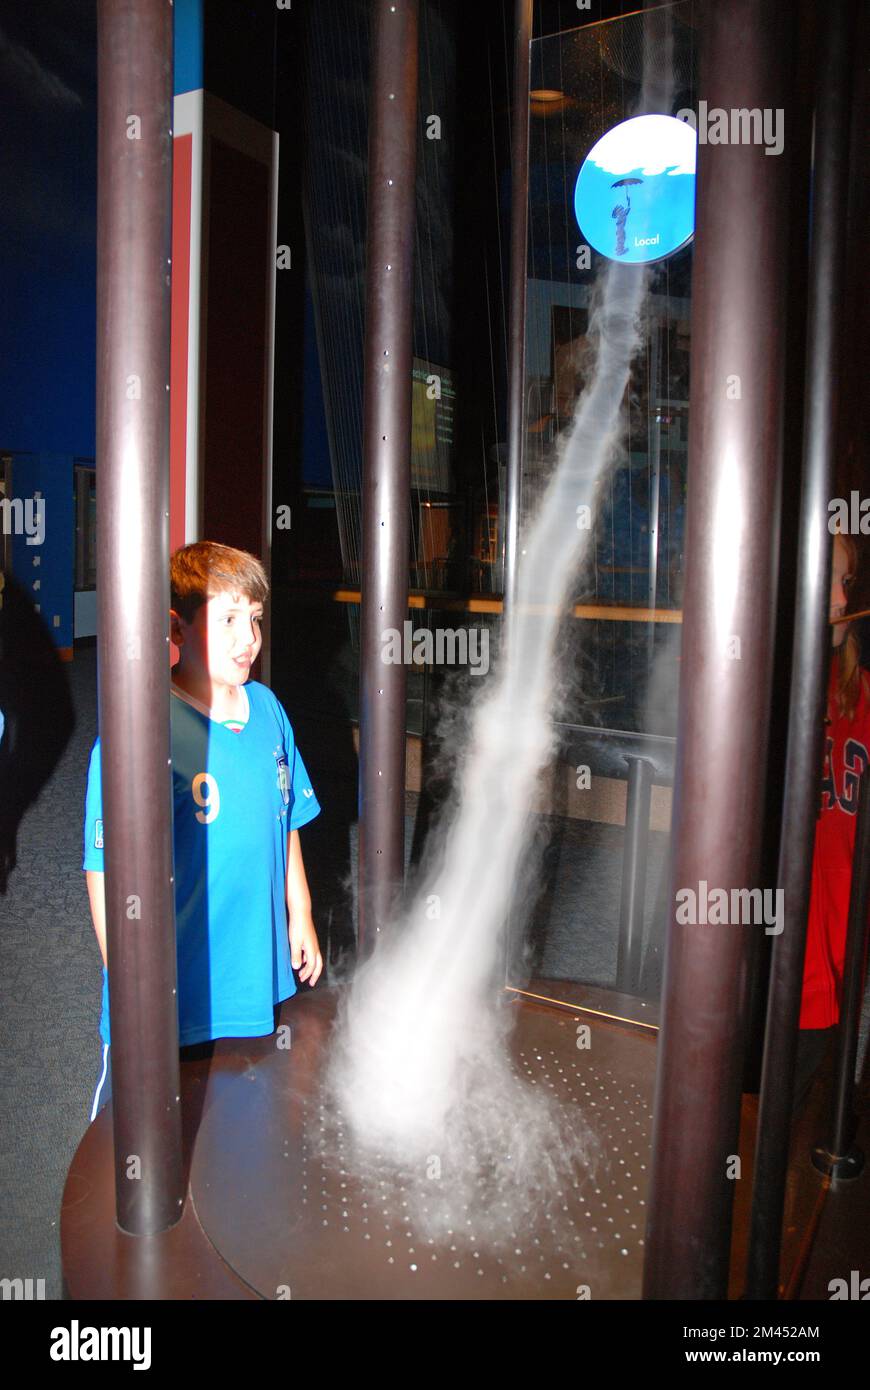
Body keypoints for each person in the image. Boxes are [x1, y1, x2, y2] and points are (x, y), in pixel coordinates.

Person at [84, 541, 323, 1120]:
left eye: (256, 620)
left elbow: (285, 817)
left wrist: (303, 912)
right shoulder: (142, 729)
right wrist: (128, 976)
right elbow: (104, 874)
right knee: (143, 1137)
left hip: (254, 971)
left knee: (247, 1121)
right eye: (228, 620)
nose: (249, 639)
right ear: (177, 627)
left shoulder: (268, 709)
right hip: (171, 988)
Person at [794, 532, 870, 1113]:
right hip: (779, 952)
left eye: (847, 583)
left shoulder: (862, 695)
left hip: (842, 950)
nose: (843, 600)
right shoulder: (759, 692)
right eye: (830, 582)